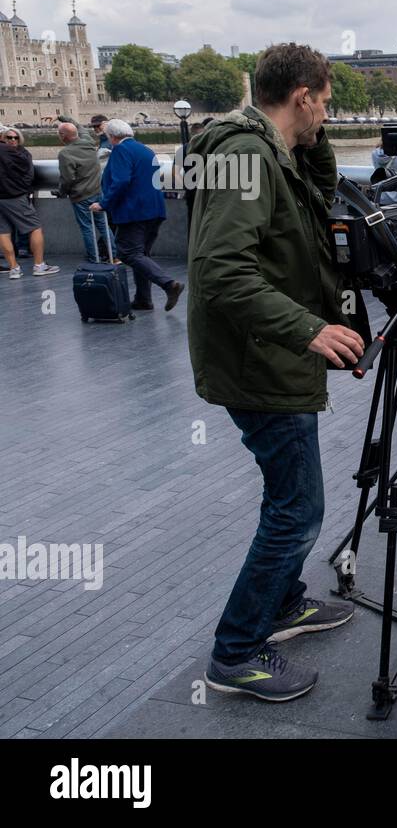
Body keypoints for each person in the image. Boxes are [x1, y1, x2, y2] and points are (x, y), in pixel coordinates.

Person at [188, 42, 363, 702]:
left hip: (269, 353)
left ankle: (282, 606)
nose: (328, 114)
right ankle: (234, 653)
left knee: (289, 497)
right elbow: (219, 274)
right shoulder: (243, 154)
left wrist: (310, 138)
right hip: (260, 359)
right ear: (302, 97)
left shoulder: (271, 151)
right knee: (297, 511)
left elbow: (316, 201)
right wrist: (311, 329)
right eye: (325, 102)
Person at [95, 120, 184, 311]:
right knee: (141, 255)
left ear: (111, 137)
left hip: (134, 211)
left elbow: (121, 181)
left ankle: (169, 284)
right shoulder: (145, 149)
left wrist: (104, 203)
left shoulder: (120, 150)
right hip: (155, 210)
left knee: (128, 253)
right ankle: (143, 299)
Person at [0, 126, 59, 279]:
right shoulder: (21, 154)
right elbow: (29, 175)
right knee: (34, 227)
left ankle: (14, 269)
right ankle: (39, 265)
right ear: (3, 138)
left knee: (3, 233)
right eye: (9, 137)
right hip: (15, 197)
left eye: (15, 138)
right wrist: (22, 189)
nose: (12, 140)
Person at [56, 122, 114, 262]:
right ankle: (115, 255)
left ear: (63, 136)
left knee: (87, 228)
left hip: (81, 196)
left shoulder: (65, 153)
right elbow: (79, 126)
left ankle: (94, 258)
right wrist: (62, 118)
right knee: (104, 226)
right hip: (97, 191)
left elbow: (67, 179)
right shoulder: (88, 142)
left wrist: (61, 192)